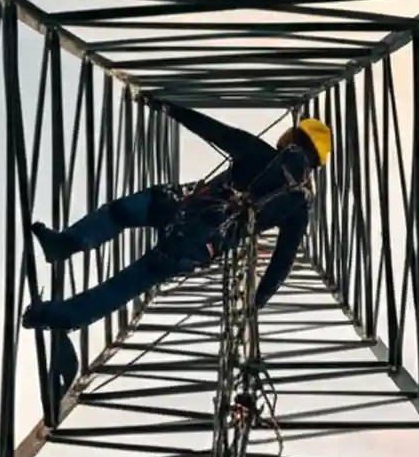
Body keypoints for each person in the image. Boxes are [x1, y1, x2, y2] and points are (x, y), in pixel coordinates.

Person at [21, 100, 332, 390]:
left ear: (294, 137)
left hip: (177, 206)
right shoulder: (300, 204)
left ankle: (68, 242)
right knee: (126, 284)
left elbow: (216, 131)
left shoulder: (261, 153)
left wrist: (170, 108)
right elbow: (283, 260)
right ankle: (59, 316)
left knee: (119, 214)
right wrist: (256, 303)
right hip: (198, 244)